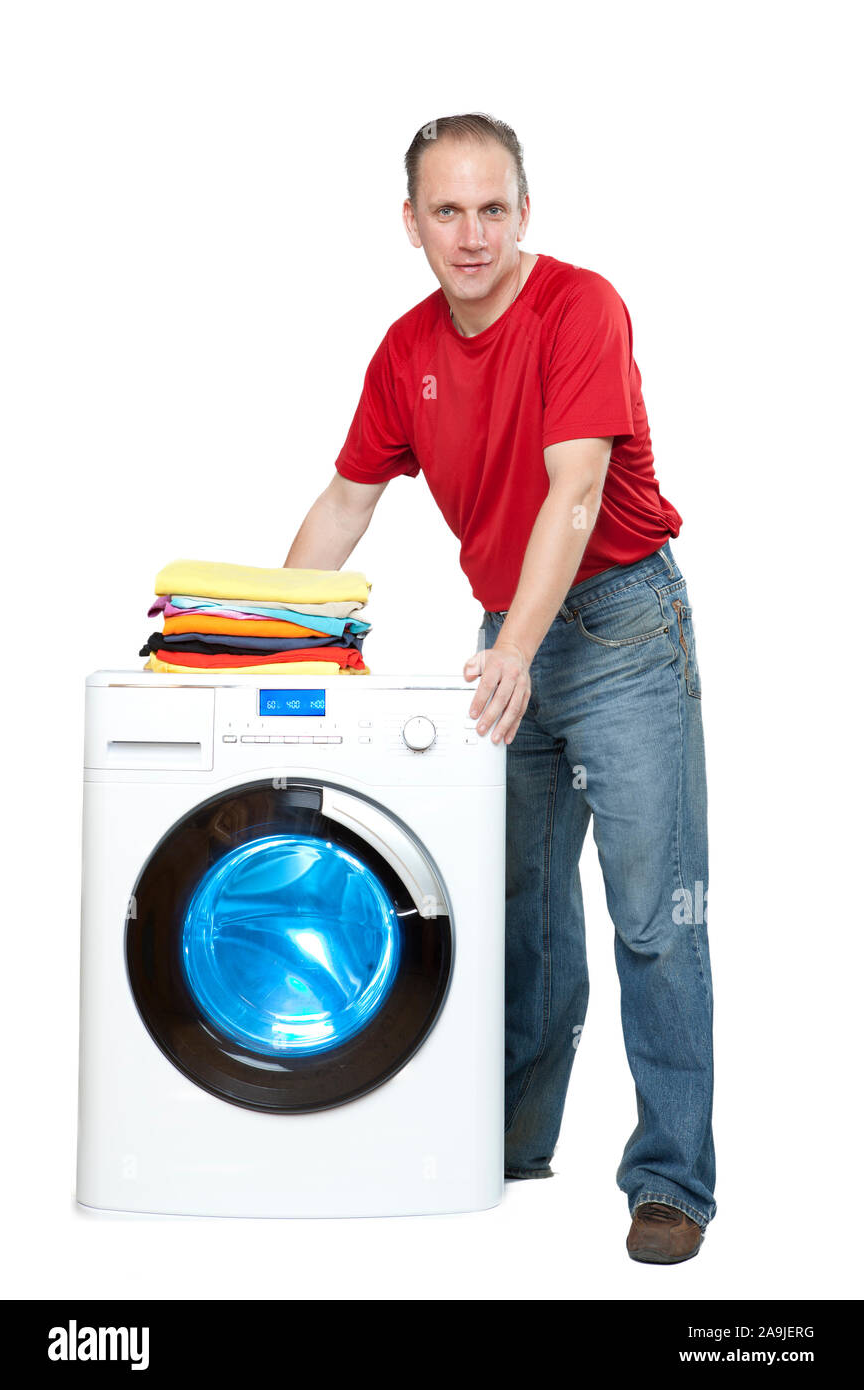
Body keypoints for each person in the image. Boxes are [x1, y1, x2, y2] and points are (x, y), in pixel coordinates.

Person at [284, 112, 715, 1264]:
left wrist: (518, 647)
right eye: (445, 210)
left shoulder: (580, 306)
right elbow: (343, 504)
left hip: (619, 625)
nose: (470, 234)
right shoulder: (402, 349)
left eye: (491, 208)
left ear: (523, 213)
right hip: (505, 638)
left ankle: (669, 1179)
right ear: (411, 223)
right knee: (520, 911)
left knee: (653, 919)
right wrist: (260, 638)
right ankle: (513, 1143)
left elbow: (575, 493)